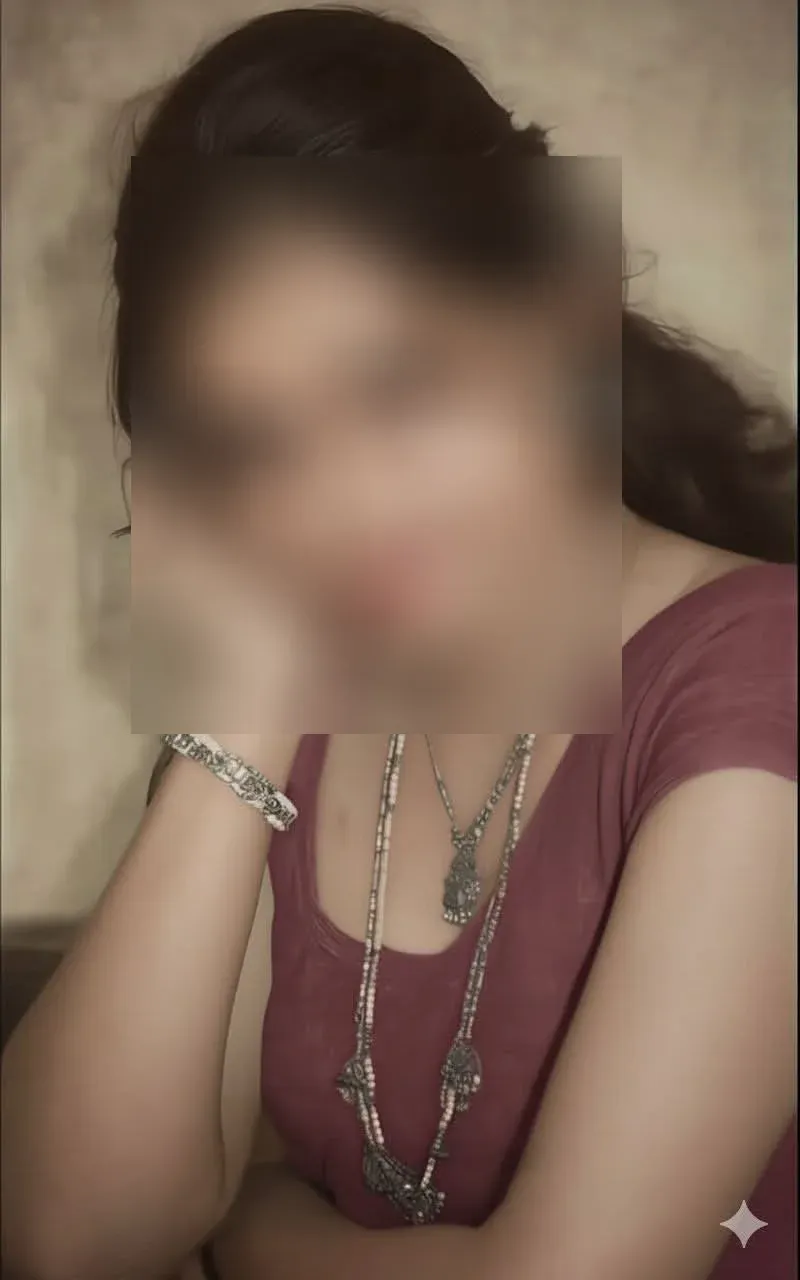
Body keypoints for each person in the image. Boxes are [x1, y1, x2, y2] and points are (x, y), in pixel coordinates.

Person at [2, 8, 796, 1280]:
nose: (341, 506)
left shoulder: (760, 666)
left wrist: (249, 1229)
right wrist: (229, 718)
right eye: (255, 440)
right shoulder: (292, 707)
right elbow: (69, 1237)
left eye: (399, 384)